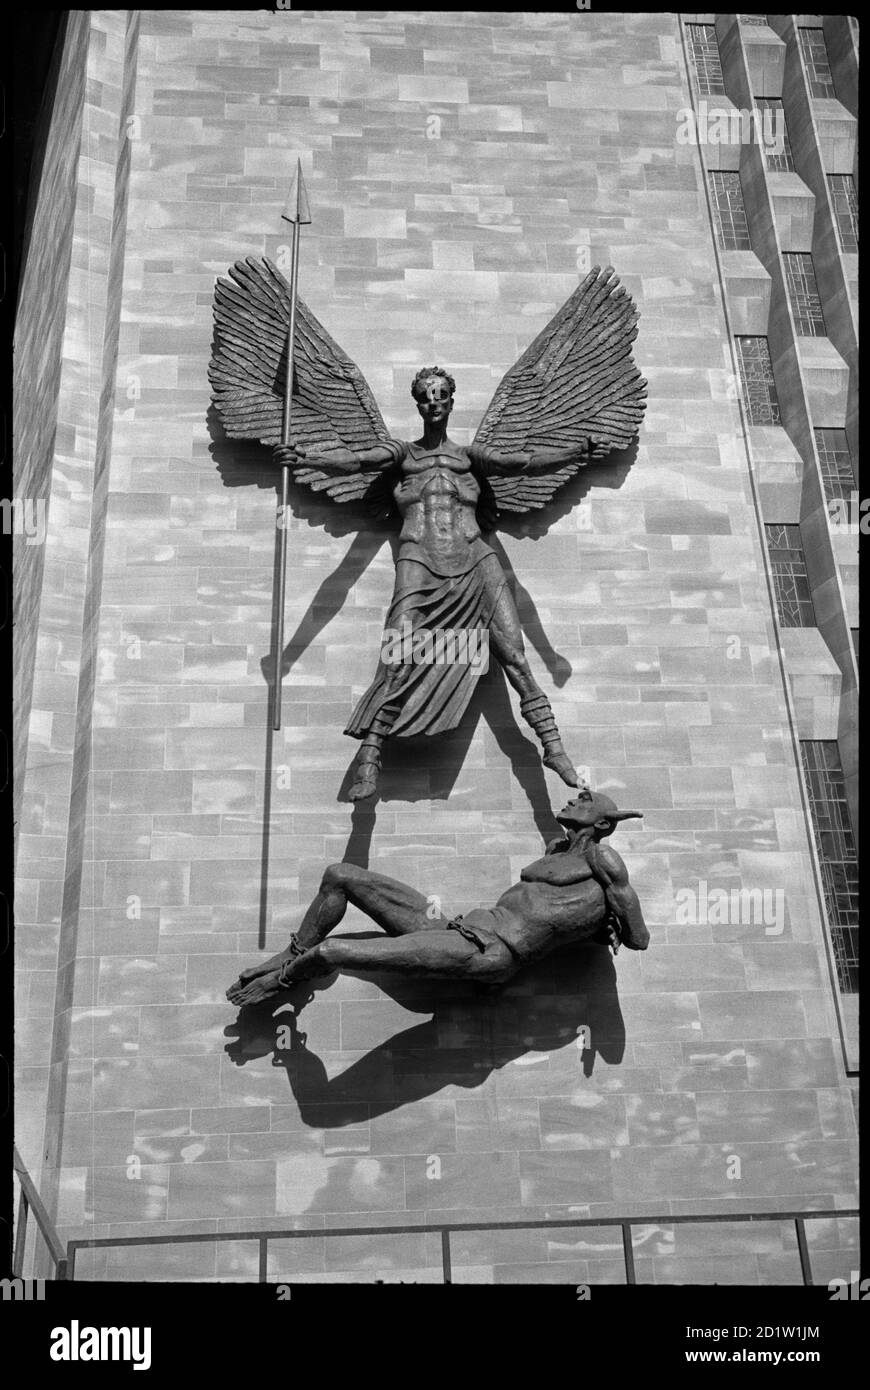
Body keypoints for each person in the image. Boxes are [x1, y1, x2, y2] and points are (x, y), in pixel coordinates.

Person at [276, 366, 588, 800]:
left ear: (451, 401)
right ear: (418, 404)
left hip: (475, 556)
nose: (434, 402)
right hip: (418, 557)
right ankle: (370, 757)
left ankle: (553, 747)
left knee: (514, 654)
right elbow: (357, 462)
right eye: (426, 396)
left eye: (441, 395)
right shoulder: (401, 455)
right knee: (398, 653)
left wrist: (576, 451)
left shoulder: (471, 458)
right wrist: (308, 458)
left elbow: (524, 465)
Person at [226, 789, 648, 1006]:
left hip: (492, 951)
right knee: (341, 876)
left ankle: (281, 981)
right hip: (458, 929)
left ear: (604, 823)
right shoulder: (558, 852)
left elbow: (638, 938)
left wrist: (606, 924)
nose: (576, 798)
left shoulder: (604, 859)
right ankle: (290, 954)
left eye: (587, 800)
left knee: (335, 951)